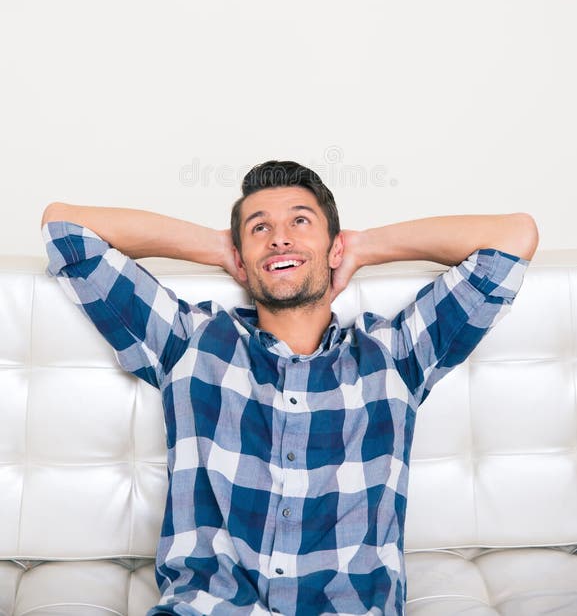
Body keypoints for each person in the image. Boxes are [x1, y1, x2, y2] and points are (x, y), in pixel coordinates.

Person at [41, 160, 539, 616]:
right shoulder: (190, 342)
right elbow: (64, 229)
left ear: (333, 246)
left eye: (300, 222)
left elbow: (515, 237)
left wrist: (364, 246)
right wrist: (220, 247)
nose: (280, 239)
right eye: (261, 228)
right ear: (242, 255)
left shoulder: (396, 354)